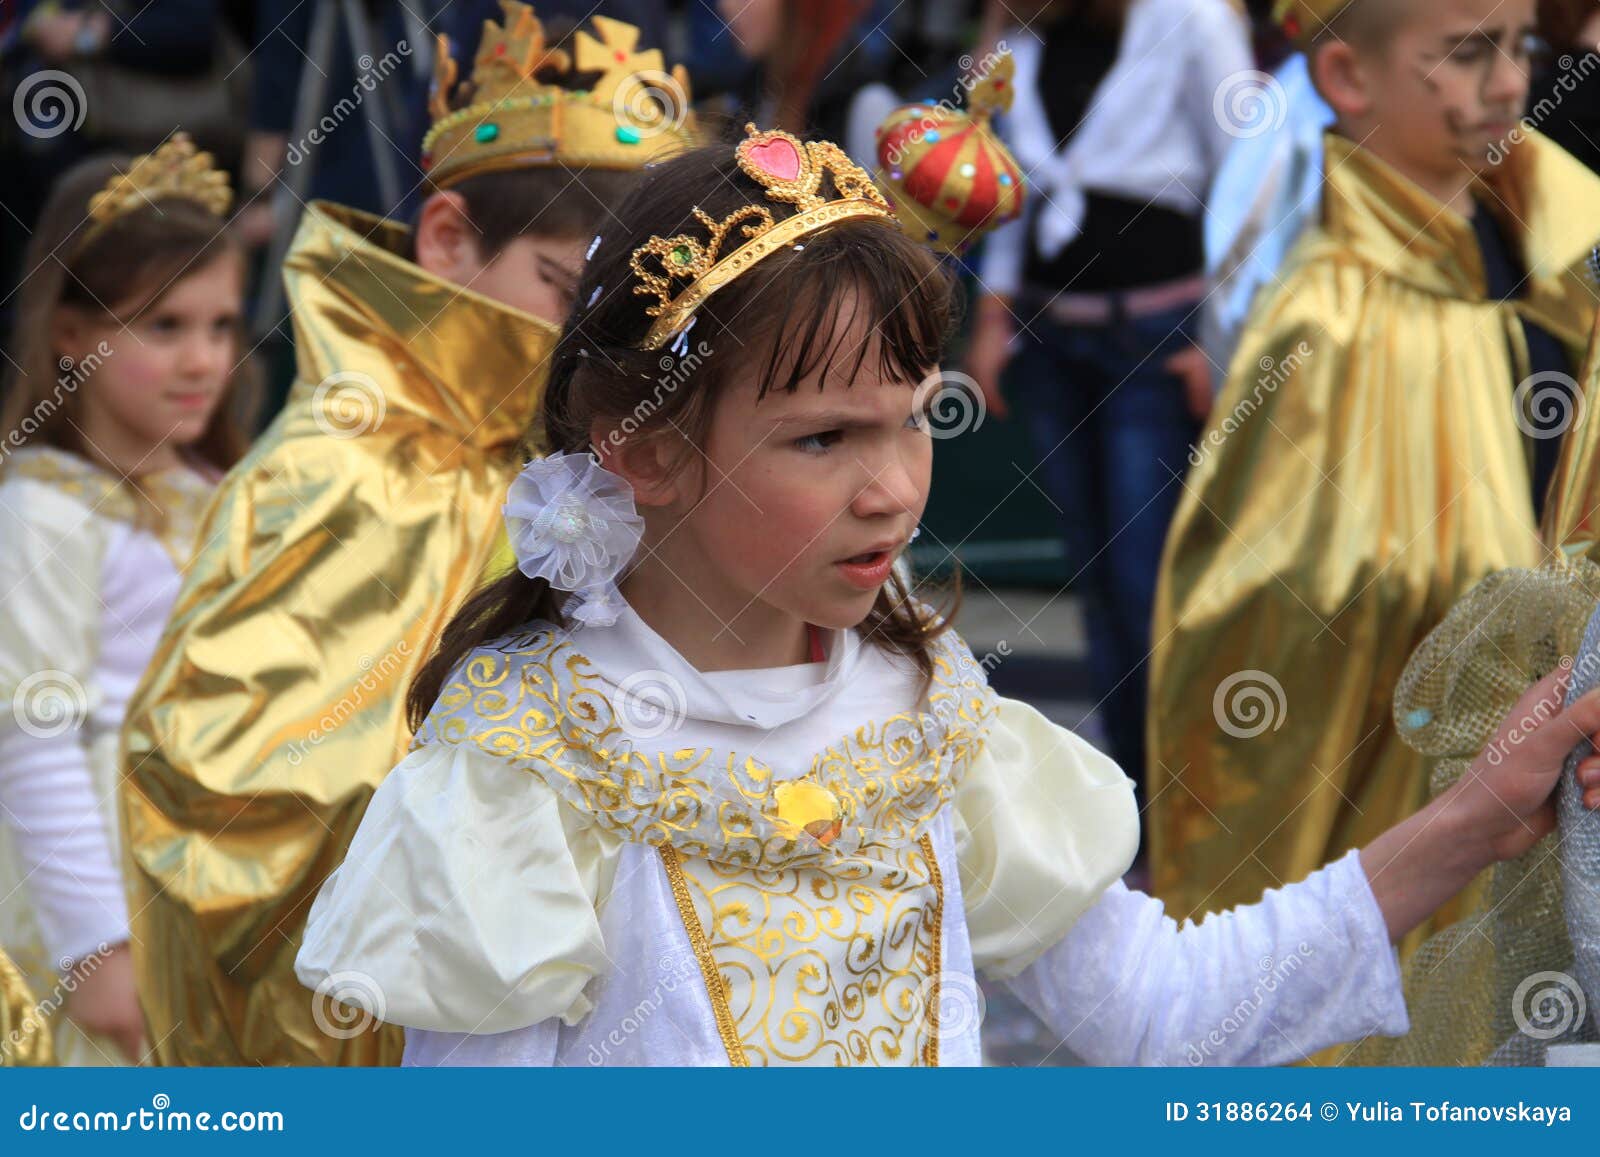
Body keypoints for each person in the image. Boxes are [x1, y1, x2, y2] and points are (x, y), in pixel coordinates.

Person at [295, 125, 1600, 1066]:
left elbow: (1166, 1011)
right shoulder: (526, 763)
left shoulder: (927, 713)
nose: (891, 491)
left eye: (912, 424)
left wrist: (1482, 810)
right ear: (641, 443)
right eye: (823, 440)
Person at [119, 4, 700, 1067]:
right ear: (445, 240)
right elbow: (242, 824)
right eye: (565, 299)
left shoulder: (584, 466)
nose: (595, 362)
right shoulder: (341, 474)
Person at [1148, 0, 1600, 958]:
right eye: (1469, 55)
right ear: (1350, 80)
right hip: (1406, 820)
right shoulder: (1327, 327)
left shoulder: (1562, 242)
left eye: (1520, 47)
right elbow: (1265, 623)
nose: (1515, 84)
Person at [0, 136, 253, 1066]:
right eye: (163, 325)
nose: (202, 359)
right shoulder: (41, 509)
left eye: (222, 326)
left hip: (209, 867)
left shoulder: (219, 485)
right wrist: (97, 948)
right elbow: (31, 731)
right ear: (70, 332)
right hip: (103, 871)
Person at [965, 0, 1253, 787]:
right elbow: (1005, 181)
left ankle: (1188, 811)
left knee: (1144, 585)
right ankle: (1136, 807)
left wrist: (1221, 339)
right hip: (1053, 340)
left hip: (1158, 340)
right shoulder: (1028, 29)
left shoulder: (1193, 19)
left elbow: (1249, 175)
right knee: (1094, 580)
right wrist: (991, 317)